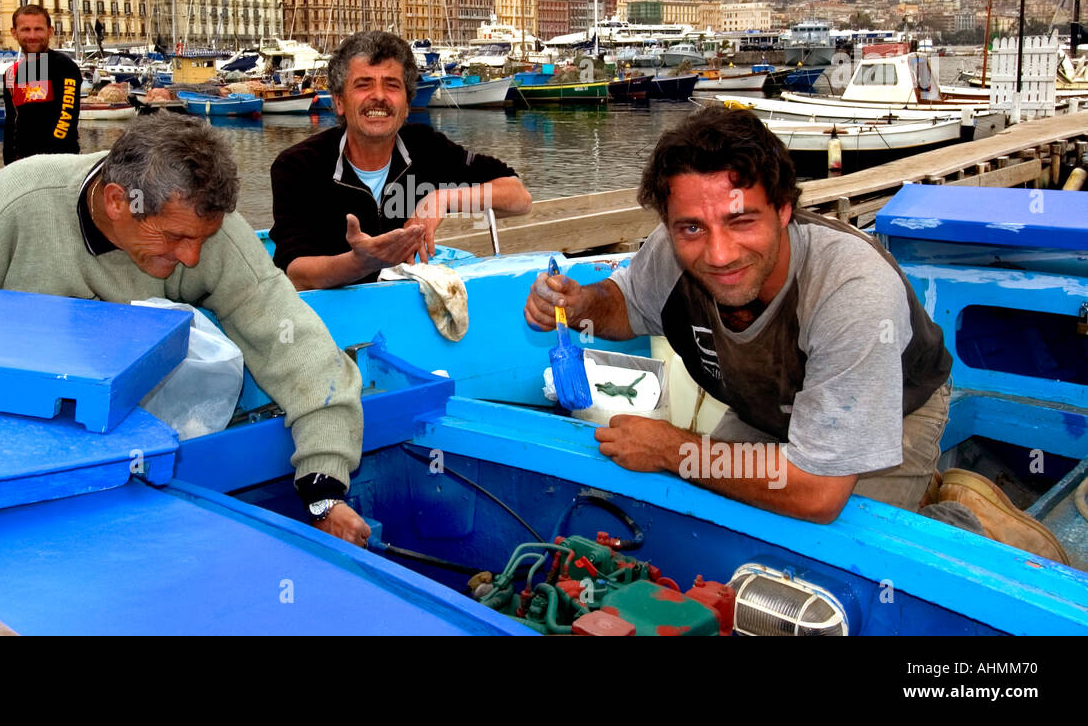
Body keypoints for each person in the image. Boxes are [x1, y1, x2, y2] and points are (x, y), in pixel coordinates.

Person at [0, 113, 372, 546]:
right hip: (9, 432)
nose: (192, 258)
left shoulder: (206, 226)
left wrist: (324, 487)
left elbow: (298, 348)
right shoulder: (17, 199)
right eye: (174, 239)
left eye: (202, 239)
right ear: (118, 202)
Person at [524, 106, 953, 524]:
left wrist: (671, 449)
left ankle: (954, 516)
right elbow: (627, 303)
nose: (719, 255)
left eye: (742, 221)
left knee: (826, 555)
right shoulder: (671, 252)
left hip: (890, 414)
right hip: (767, 412)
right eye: (691, 228)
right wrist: (580, 307)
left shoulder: (852, 289)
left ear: (784, 208)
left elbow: (817, 491)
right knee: (704, 523)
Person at [271, 30, 532, 289]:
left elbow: (519, 198)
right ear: (339, 102)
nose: (380, 96)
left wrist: (442, 199)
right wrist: (362, 262)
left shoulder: (426, 147)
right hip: (334, 316)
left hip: (409, 309)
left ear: (407, 104)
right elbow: (296, 272)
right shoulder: (298, 166)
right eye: (363, 84)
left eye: (392, 85)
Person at [3, 4, 81, 164]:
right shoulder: (11, 73)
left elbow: (66, 117)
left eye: (38, 29)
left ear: (50, 31)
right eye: (25, 29)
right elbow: (11, 122)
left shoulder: (64, 66)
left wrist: (45, 162)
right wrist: (8, 164)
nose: (32, 35)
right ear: (14, 33)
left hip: (60, 163)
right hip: (21, 167)